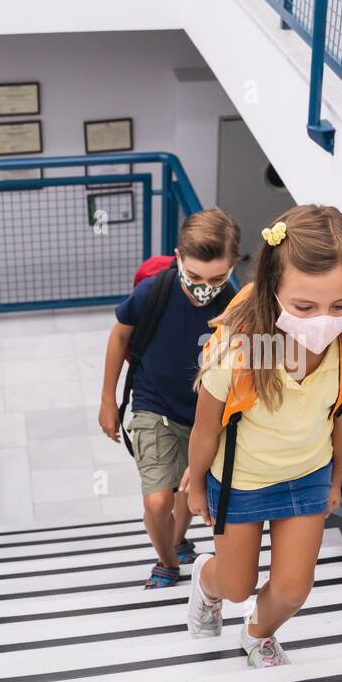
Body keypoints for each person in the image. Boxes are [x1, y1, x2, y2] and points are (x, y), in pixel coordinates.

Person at [180, 204, 342, 666]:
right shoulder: (236, 349)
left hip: (308, 472)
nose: (323, 321)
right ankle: (206, 585)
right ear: (272, 291)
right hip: (241, 480)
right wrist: (194, 486)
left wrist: (335, 480)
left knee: (293, 588)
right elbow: (206, 426)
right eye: (304, 307)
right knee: (236, 585)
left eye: (340, 306)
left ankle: (257, 635)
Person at [100, 209, 241, 588]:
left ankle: (178, 542)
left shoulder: (235, 308)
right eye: (194, 276)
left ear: (232, 266)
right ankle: (167, 562)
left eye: (216, 278)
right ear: (178, 257)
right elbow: (119, 337)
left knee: (188, 497)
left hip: (206, 418)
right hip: (153, 405)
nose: (203, 287)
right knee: (158, 501)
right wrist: (108, 400)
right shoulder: (153, 292)